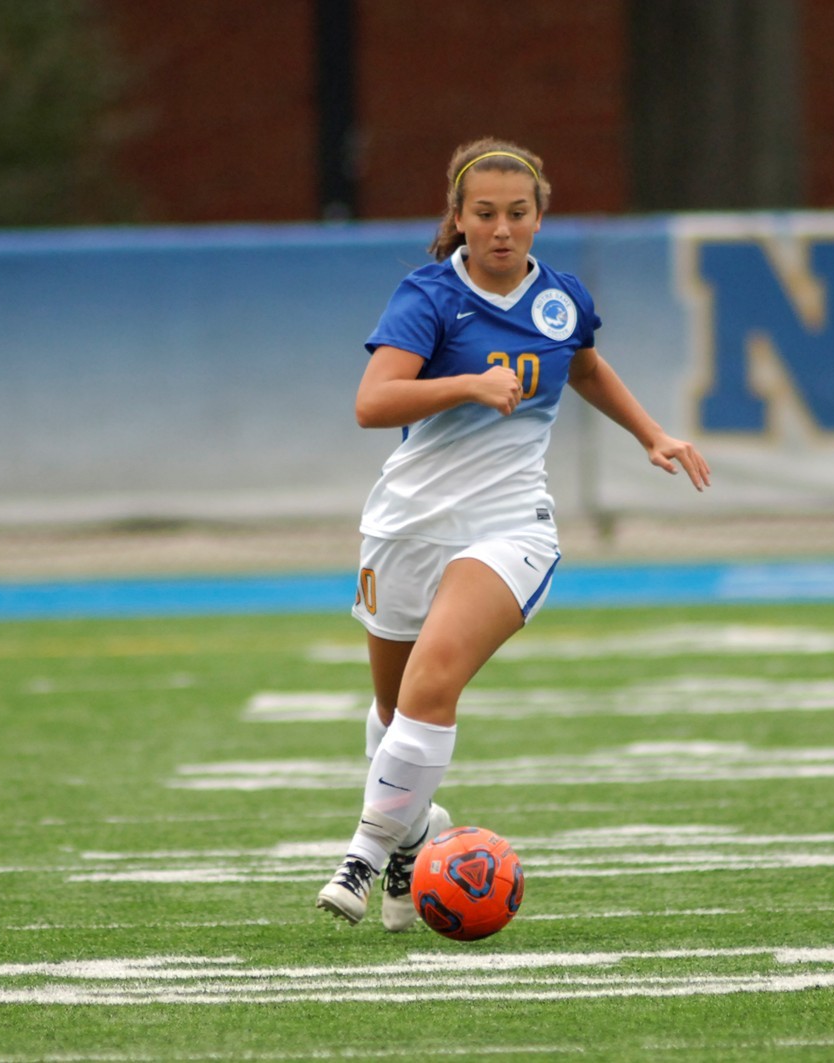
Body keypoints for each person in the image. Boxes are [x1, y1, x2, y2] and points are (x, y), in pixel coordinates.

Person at [317, 138, 712, 928]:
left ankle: (362, 855)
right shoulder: (429, 296)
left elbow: (584, 365)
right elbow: (371, 403)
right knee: (392, 711)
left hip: (508, 524)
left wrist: (652, 434)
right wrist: (467, 383)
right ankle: (416, 836)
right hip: (405, 524)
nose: (502, 228)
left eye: (518, 213)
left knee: (433, 683)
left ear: (540, 216)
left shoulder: (561, 297)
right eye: (486, 213)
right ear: (459, 218)